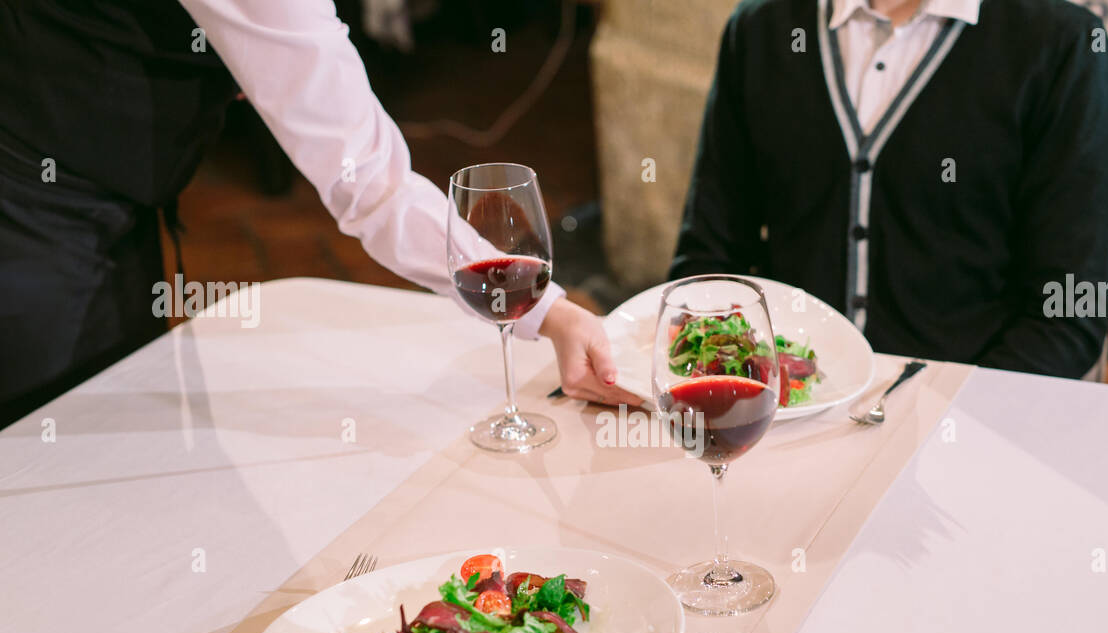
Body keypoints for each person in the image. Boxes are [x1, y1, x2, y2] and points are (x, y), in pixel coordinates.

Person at [0, 0, 636, 428]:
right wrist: (544, 309)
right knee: (51, 450)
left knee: (119, 421)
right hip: (31, 194)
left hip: (101, 181)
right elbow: (368, 182)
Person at [671, 0, 1108, 379]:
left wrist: (950, 421)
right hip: (781, 415)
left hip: (964, 419)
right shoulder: (759, 29)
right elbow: (708, 262)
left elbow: (1069, 313)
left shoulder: (1062, 43)